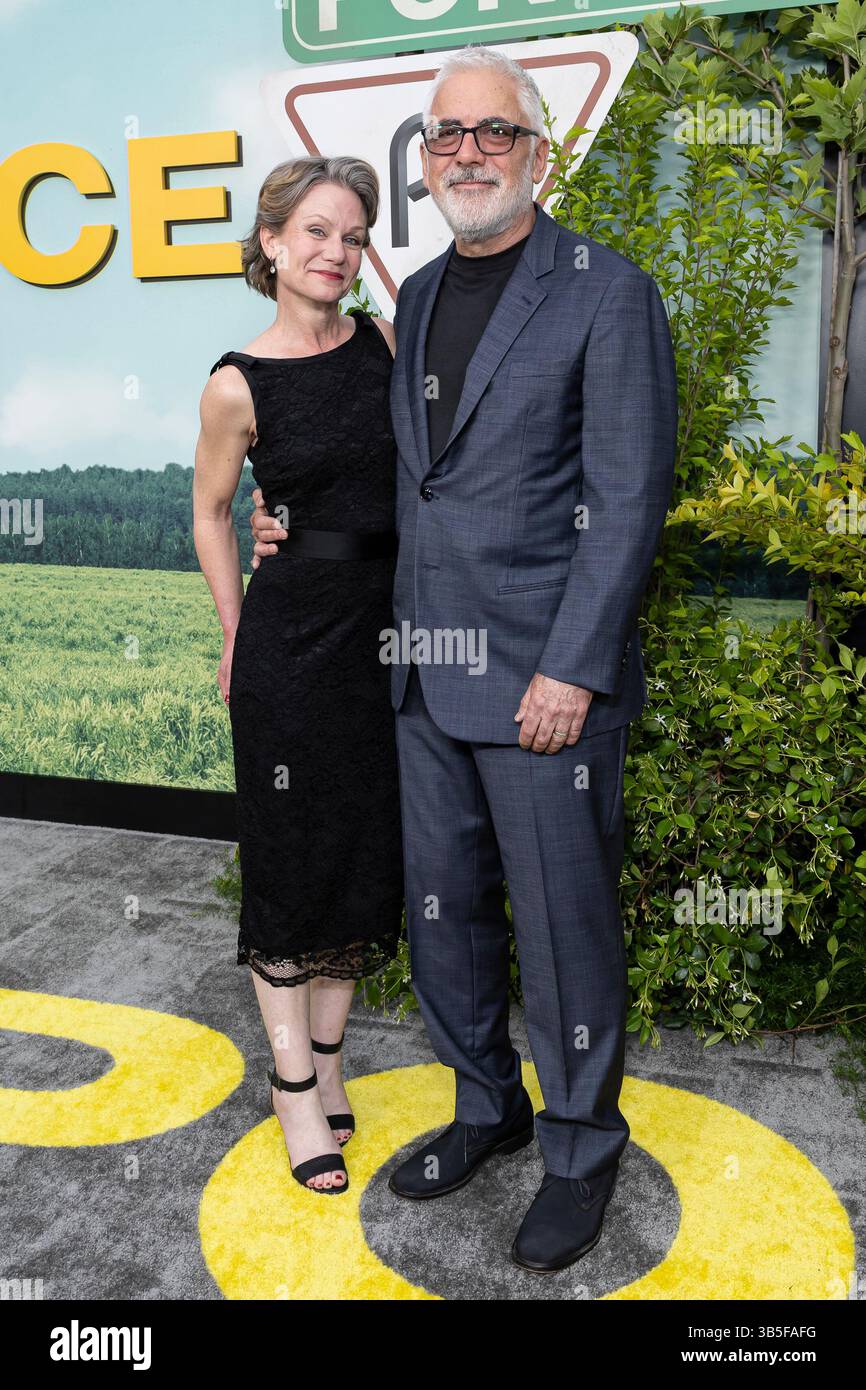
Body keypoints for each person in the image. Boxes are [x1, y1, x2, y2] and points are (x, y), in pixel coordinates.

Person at [251, 44, 678, 1269]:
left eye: (495, 133)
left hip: (546, 686)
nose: (470, 153)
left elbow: (628, 494)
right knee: (444, 928)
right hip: (422, 677)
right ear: (426, 160)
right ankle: (482, 1107)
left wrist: (573, 669)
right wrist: (292, 521)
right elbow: (403, 481)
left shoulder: (604, 289)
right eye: (448, 137)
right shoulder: (418, 297)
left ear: (537, 153)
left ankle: (580, 1146)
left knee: (561, 931)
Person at [194, 156, 404, 1195]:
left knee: (359, 858)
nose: (335, 251)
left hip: (380, 641)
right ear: (270, 242)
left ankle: (328, 1059)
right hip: (287, 647)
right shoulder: (238, 380)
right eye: (316, 231)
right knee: (289, 859)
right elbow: (210, 512)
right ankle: (288, 1082)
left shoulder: (382, 341)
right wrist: (235, 629)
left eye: (353, 236)